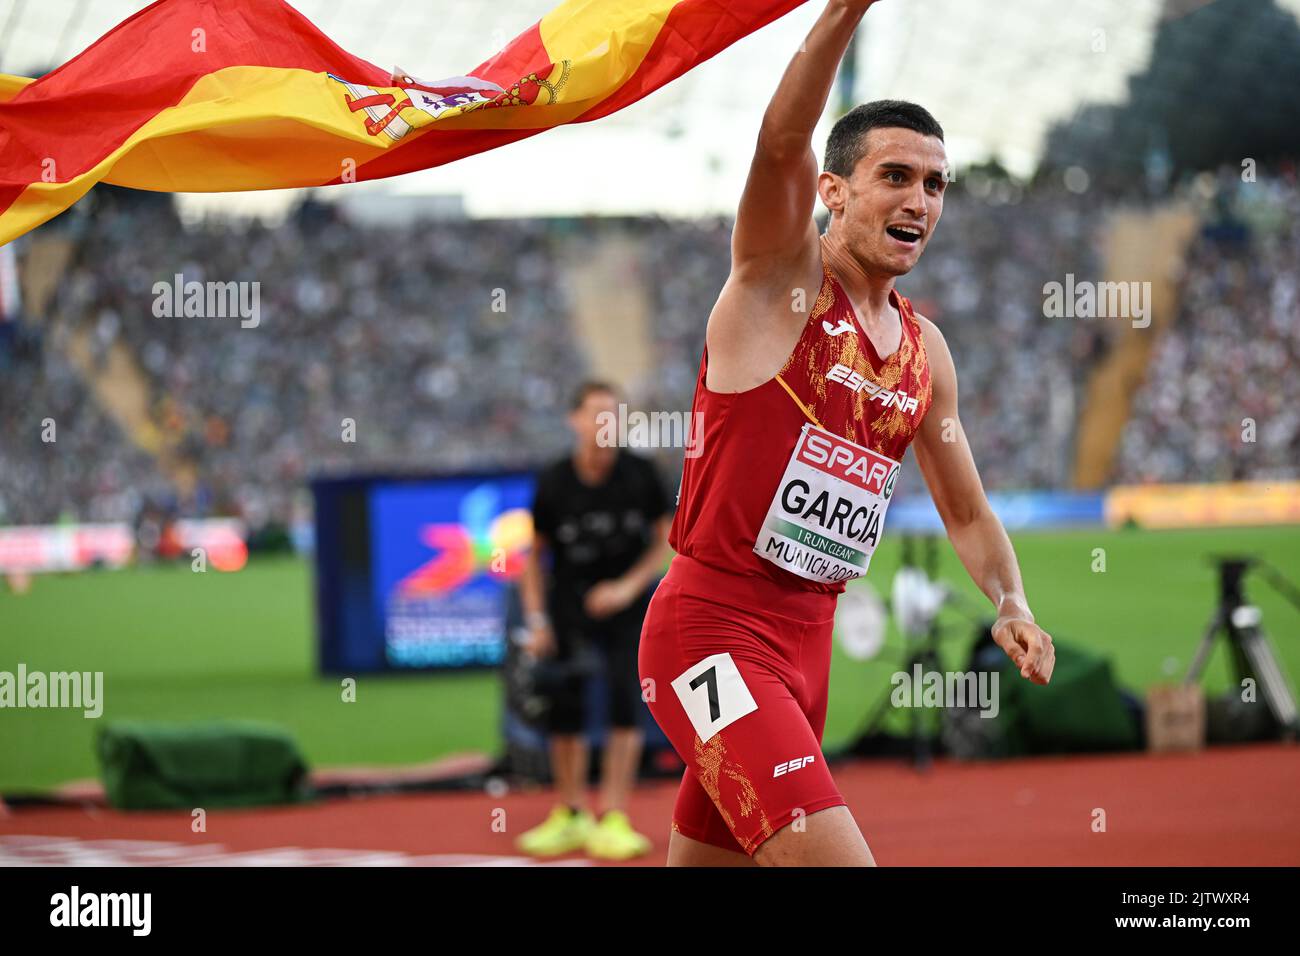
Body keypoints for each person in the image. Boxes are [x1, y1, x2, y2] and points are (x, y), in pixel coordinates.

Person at [638, 0, 1056, 868]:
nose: (920, 200)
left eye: (936, 184)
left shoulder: (925, 353)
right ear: (834, 192)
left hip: (808, 650)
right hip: (710, 635)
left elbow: (968, 513)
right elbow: (781, 145)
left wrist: (1010, 600)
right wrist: (845, 11)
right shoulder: (775, 285)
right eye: (895, 176)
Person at [516, 380, 673, 860]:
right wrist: (537, 619)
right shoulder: (554, 480)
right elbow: (532, 556)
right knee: (566, 706)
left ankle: (615, 816)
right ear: (575, 420)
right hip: (568, 604)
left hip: (628, 609)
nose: (605, 425)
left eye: (613, 415)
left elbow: (668, 541)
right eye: (596, 414)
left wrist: (626, 587)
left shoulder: (642, 475)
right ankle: (570, 811)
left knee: (626, 705)